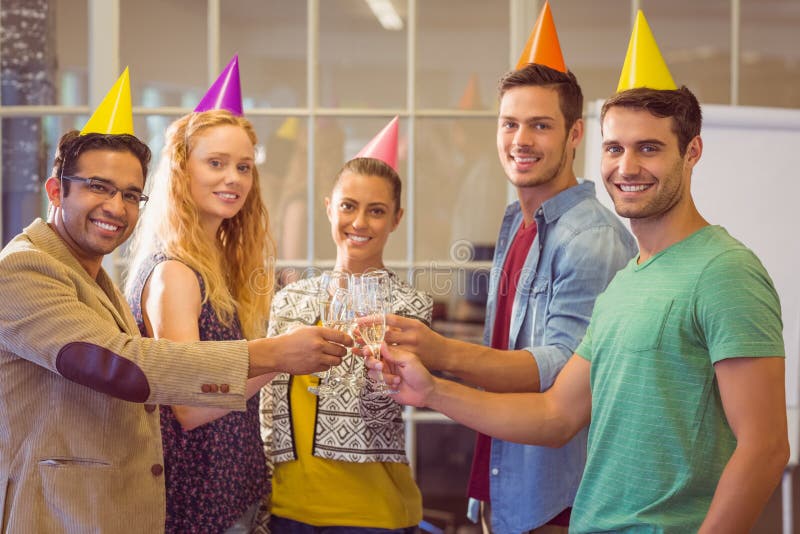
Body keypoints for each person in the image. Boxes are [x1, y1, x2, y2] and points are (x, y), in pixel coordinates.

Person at [370, 61, 789, 534]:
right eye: (615, 149)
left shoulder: (724, 270)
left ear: (692, 152)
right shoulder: (624, 283)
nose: (626, 167)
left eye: (648, 149)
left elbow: (766, 447)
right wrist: (430, 390)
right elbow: (555, 415)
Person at [0, 69, 349, 533]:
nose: (115, 207)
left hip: (118, 505)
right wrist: (276, 354)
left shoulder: (93, 274)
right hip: (59, 512)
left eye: (129, 195)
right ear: (56, 190)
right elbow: (119, 365)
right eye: (98, 187)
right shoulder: (22, 269)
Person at [382, 8, 637, 532]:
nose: (520, 139)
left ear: (574, 135)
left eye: (540, 125)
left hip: (557, 502)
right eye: (510, 123)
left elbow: (560, 371)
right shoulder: (516, 224)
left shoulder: (590, 239)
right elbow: (507, 350)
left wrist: (440, 352)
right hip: (504, 486)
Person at [260, 117, 434, 534]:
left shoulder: (409, 308)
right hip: (286, 509)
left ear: (396, 219)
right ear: (328, 208)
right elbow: (267, 409)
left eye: (376, 211)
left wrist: (381, 371)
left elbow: (387, 407)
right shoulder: (289, 301)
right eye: (348, 206)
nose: (359, 223)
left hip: (370, 514)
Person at [125, 105, 274, 530]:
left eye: (244, 167)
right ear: (180, 171)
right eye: (216, 163)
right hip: (199, 505)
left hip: (234, 494)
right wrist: (281, 357)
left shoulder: (217, 263)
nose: (234, 178)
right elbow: (190, 404)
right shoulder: (176, 271)